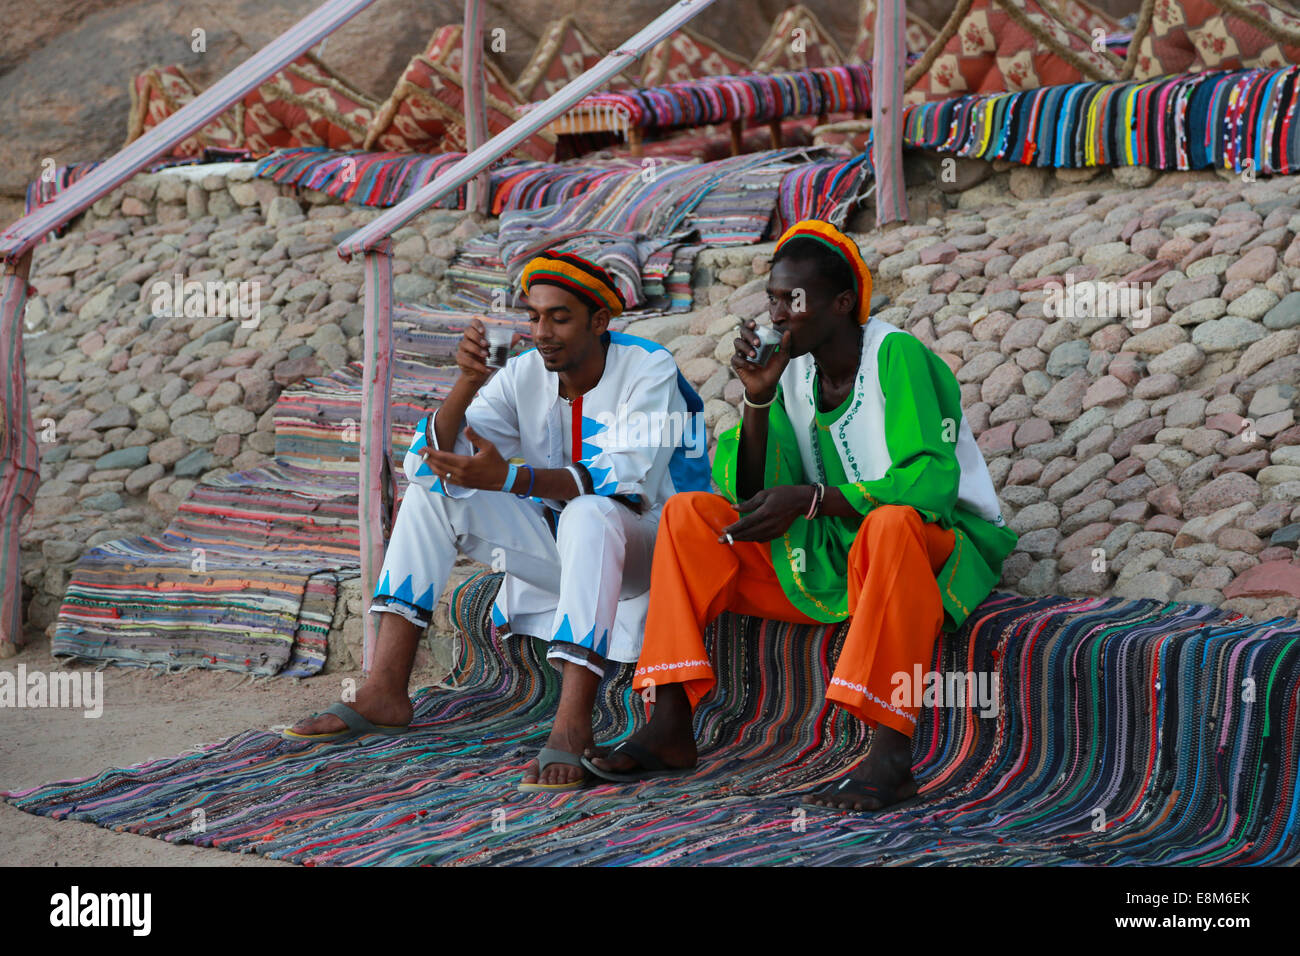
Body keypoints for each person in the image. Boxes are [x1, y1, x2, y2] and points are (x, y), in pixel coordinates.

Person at [584, 220, 1017, 811]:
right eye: (772, 298)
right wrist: (758, 398)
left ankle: (890, 751)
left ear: (842, 304)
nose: (779, 313)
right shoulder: (794, 368)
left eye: (794, 298)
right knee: (689, 516)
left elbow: (928, 486)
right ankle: (669, 720)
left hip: (925, 545)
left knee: (889, 524)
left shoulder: (896, 355)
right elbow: (757, 493)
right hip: (831, 550)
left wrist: (814, 501)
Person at [285, 250, 710, 792]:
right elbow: (426, 461)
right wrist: (465, 383)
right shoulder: (525, 372)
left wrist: (510, 479)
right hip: (571, 550)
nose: (542, 331)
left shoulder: (649, 367)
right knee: (429, 496)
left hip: (655, 556)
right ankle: (385, 690)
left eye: (560, 317)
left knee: (590, 510)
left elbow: (623, 481)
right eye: (534, 317)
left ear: (600, 322)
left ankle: (573, 722)